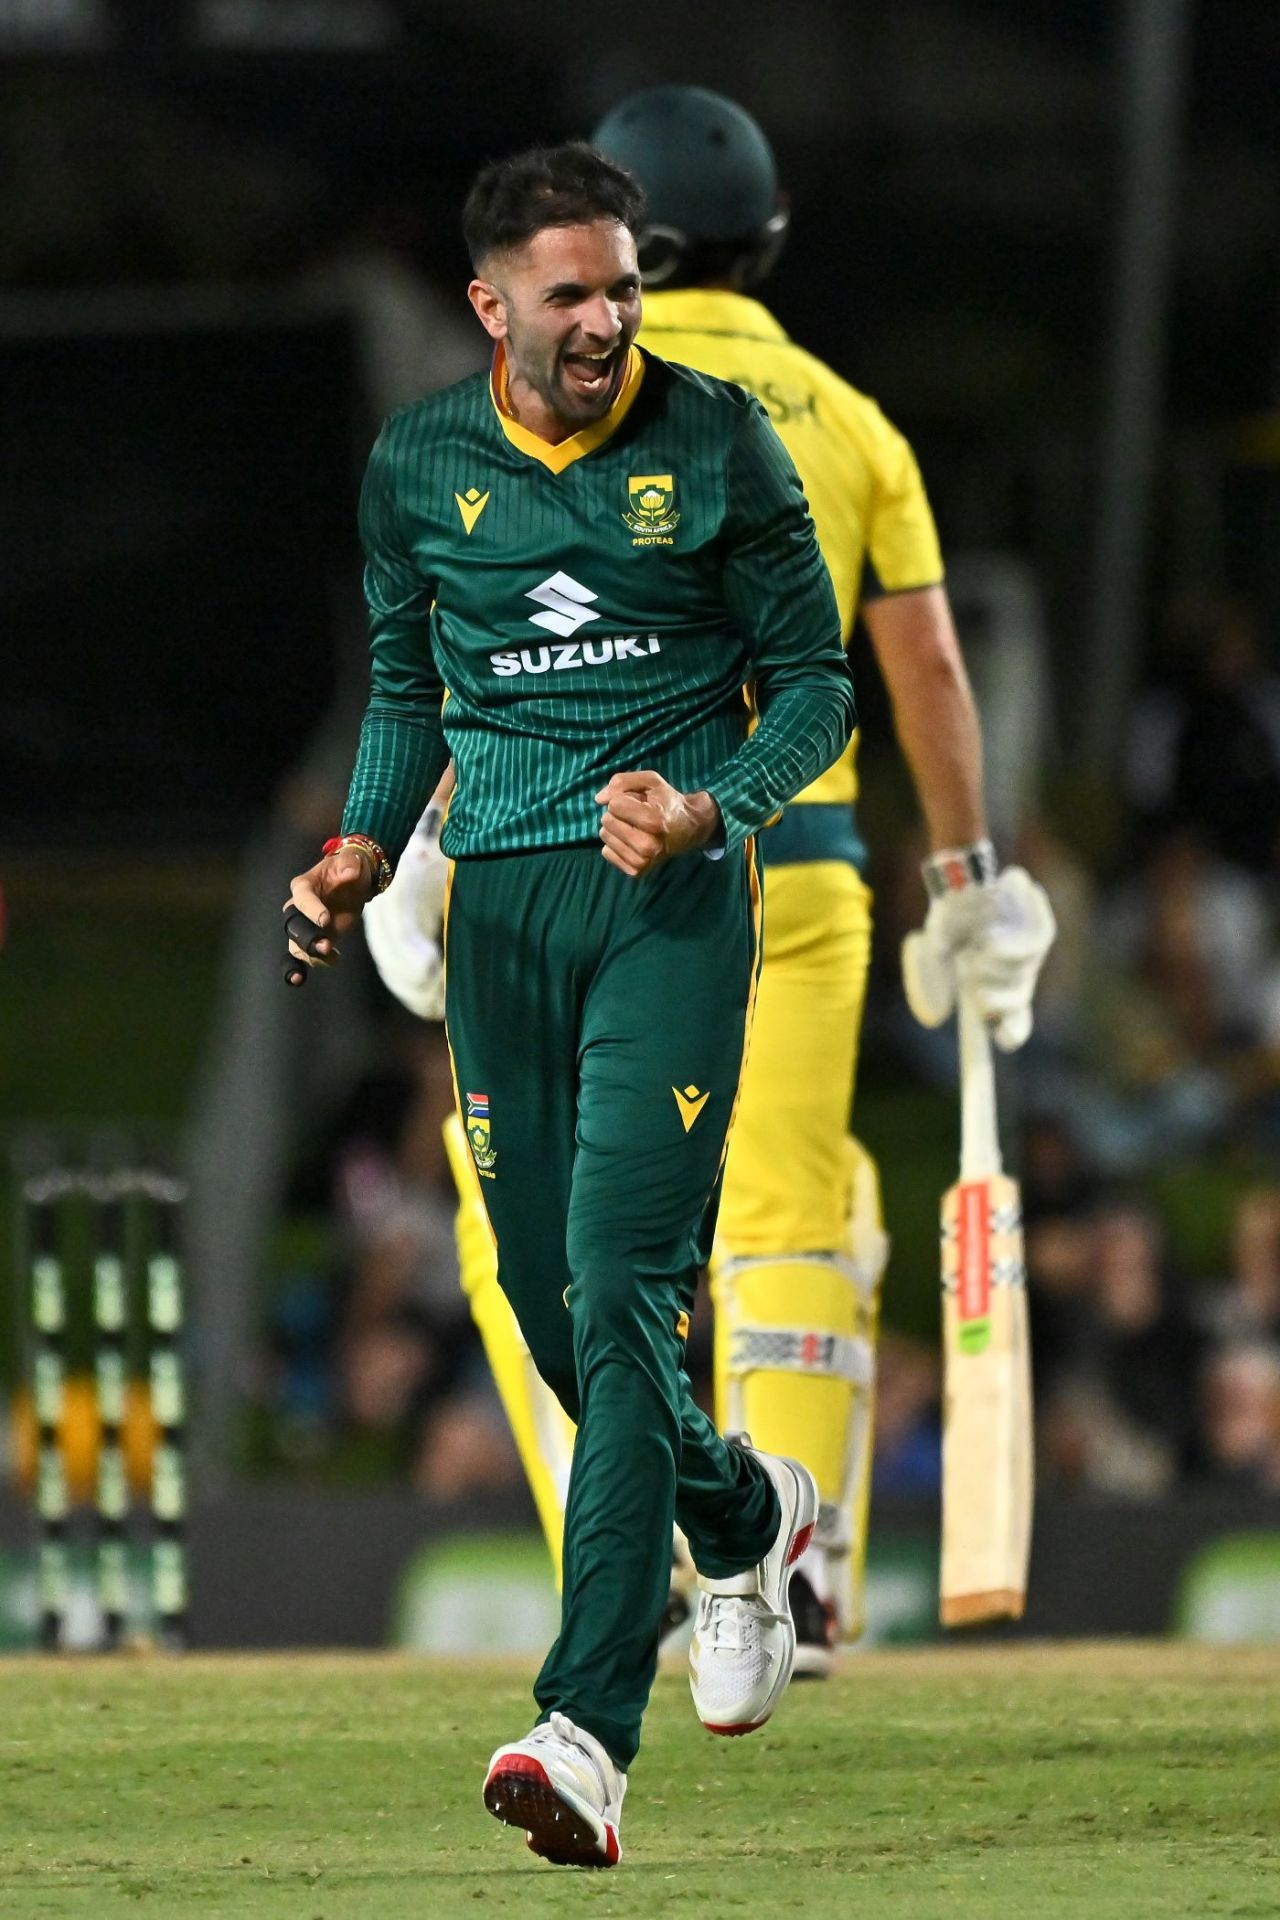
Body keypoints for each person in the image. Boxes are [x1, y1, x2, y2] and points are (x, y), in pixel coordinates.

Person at [367, 88, 1055, 1666]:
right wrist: (972, 882)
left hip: (552, 866)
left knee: (530, 1230)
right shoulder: (847, 417)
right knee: (793, 1207)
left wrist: (418, 852)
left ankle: (634, 1570)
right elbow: (927, 668)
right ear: (766, 244)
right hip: (789, 868)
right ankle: (796, 1590)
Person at [283, 142, 857, 1868]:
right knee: (549, 1310)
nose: (609, 318)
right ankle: (747, 1516)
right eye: (573, 294)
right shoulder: (421, 466)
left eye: (621, 284)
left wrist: (715, 807)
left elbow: (816, 686)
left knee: (620, 1285)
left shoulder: (716, 441)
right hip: (502, 923)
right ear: (492, 308)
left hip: (668, 906)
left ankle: (585, 1728)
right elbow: (408, 689)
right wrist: (364, 847)